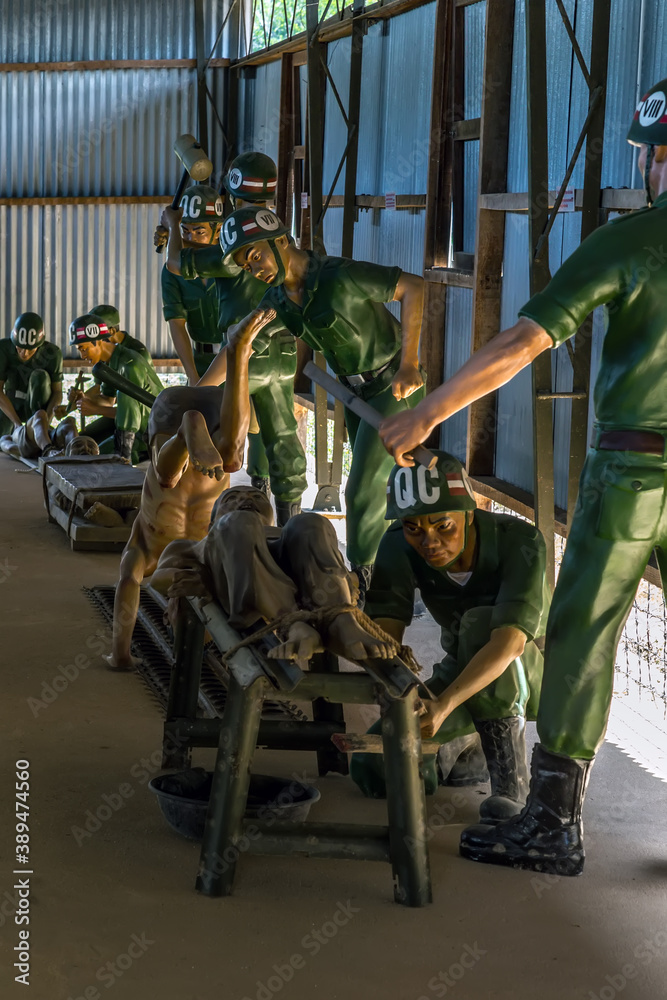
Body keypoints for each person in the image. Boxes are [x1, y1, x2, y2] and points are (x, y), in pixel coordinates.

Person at [379, 77, 667, 876]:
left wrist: (429, 411)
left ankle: (551, 822)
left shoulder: (632, 241)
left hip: (634, 468)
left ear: (657, 158)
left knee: (582, 632)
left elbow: (524, 342)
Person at [211, 205, 426, 601]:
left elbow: (414, 287)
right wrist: (200, 388)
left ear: (280, 240)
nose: (254, 270)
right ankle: (393, 581)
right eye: (246, 266)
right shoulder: (280, 299)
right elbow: (242, 339)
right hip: (354, 394)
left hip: (393, 388)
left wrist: (409, 364)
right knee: (382, 490)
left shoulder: (339, 276)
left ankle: (363, 590)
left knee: (360, 492)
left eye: (255, 256)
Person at [349, 452, 548, 818]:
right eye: (413, 528)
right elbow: (386, 635)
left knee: (480, 625)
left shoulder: (520, 541)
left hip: (529, 673)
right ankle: (463, 749)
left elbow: (510, 643)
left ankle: (512, 790)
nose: (429, 541)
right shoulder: (397, 544)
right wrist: (403, 697)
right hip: (461, 670)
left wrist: (444, 704)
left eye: (443, 526)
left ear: (469, 514)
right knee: (374, 767)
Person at [104, 305, 277, 671]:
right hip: (191, 442)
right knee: (221, 461)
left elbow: (128, 583)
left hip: (181, 428)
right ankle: (236, 356)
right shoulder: (189, 562)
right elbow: (129, 582)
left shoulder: (154, 552)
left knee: (216, 463)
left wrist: (120, 654)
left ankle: (234, 363)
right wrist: (119, 655)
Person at [159, 155, 307, 523]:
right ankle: (288, 519)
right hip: (281, 350)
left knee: (204, 421)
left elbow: (177, 264)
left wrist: (172, 226)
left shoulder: (236, 241)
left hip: (242, 350)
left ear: (232, 194)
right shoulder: (281, 236)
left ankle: (190, 503)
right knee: (281, 433)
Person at [151, 485, 395, 665]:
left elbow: (336, 570)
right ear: (211, 523)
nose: (245, 499)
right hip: (233, 581)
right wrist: (205, 579)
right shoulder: (195, 545)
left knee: (309, 522)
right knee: (238, 522)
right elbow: (159, 578)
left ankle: (342, 622)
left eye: (257, 497)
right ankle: (293, 624)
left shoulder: (284, 535)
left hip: (294, 578)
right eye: (231, 498)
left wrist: (344, 584)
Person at [68, 314, 163, 462]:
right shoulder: (111, 363)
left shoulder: (130, 365)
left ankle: (124, 457)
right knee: (84, 446)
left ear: (97, 341)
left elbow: (132, 414)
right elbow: (108, 401)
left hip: (152, 430)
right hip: (136, 429)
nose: (82, 355)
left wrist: (95, 409)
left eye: (83, 348)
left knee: (92, 457)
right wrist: (85, 399)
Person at [0, 312, 63, 446]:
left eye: (31, 349)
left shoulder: (53, 353)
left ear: (39, 345)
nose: (24, 353)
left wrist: (45, 422)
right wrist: (17, 424)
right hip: (10, 405)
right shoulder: (2, 349)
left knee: (40, 376)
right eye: (20, 348)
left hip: (38, 407)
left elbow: (57, 393)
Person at [0, 413, 83, 460]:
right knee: (40, 414)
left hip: (49, 438)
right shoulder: (9, 436)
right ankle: (48, 450)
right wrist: (38, 454)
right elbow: (9, 448)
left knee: (69, 421)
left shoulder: (42, 426)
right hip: (33, 446)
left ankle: (78, 453)